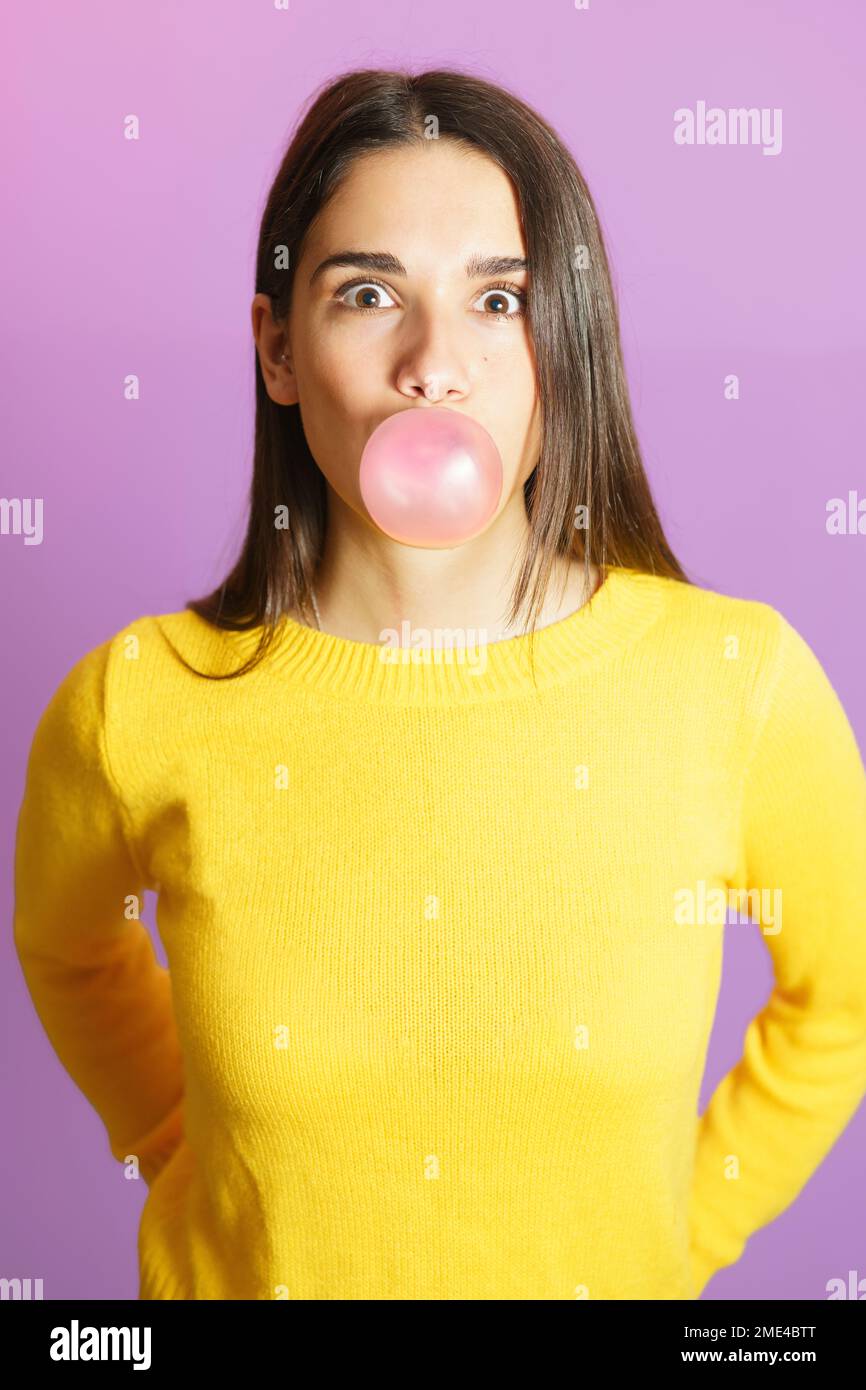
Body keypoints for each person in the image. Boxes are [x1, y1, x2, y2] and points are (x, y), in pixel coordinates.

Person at [13, 66, 866, 1301]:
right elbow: (65, 947)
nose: (433, 365)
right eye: (367, 294)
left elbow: (839, 1006)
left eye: (499, 300)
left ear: (561, 343)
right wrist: (174, 1144)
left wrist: (666, 1245)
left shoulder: (732, 686)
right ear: (278, 349)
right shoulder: (136, 702)